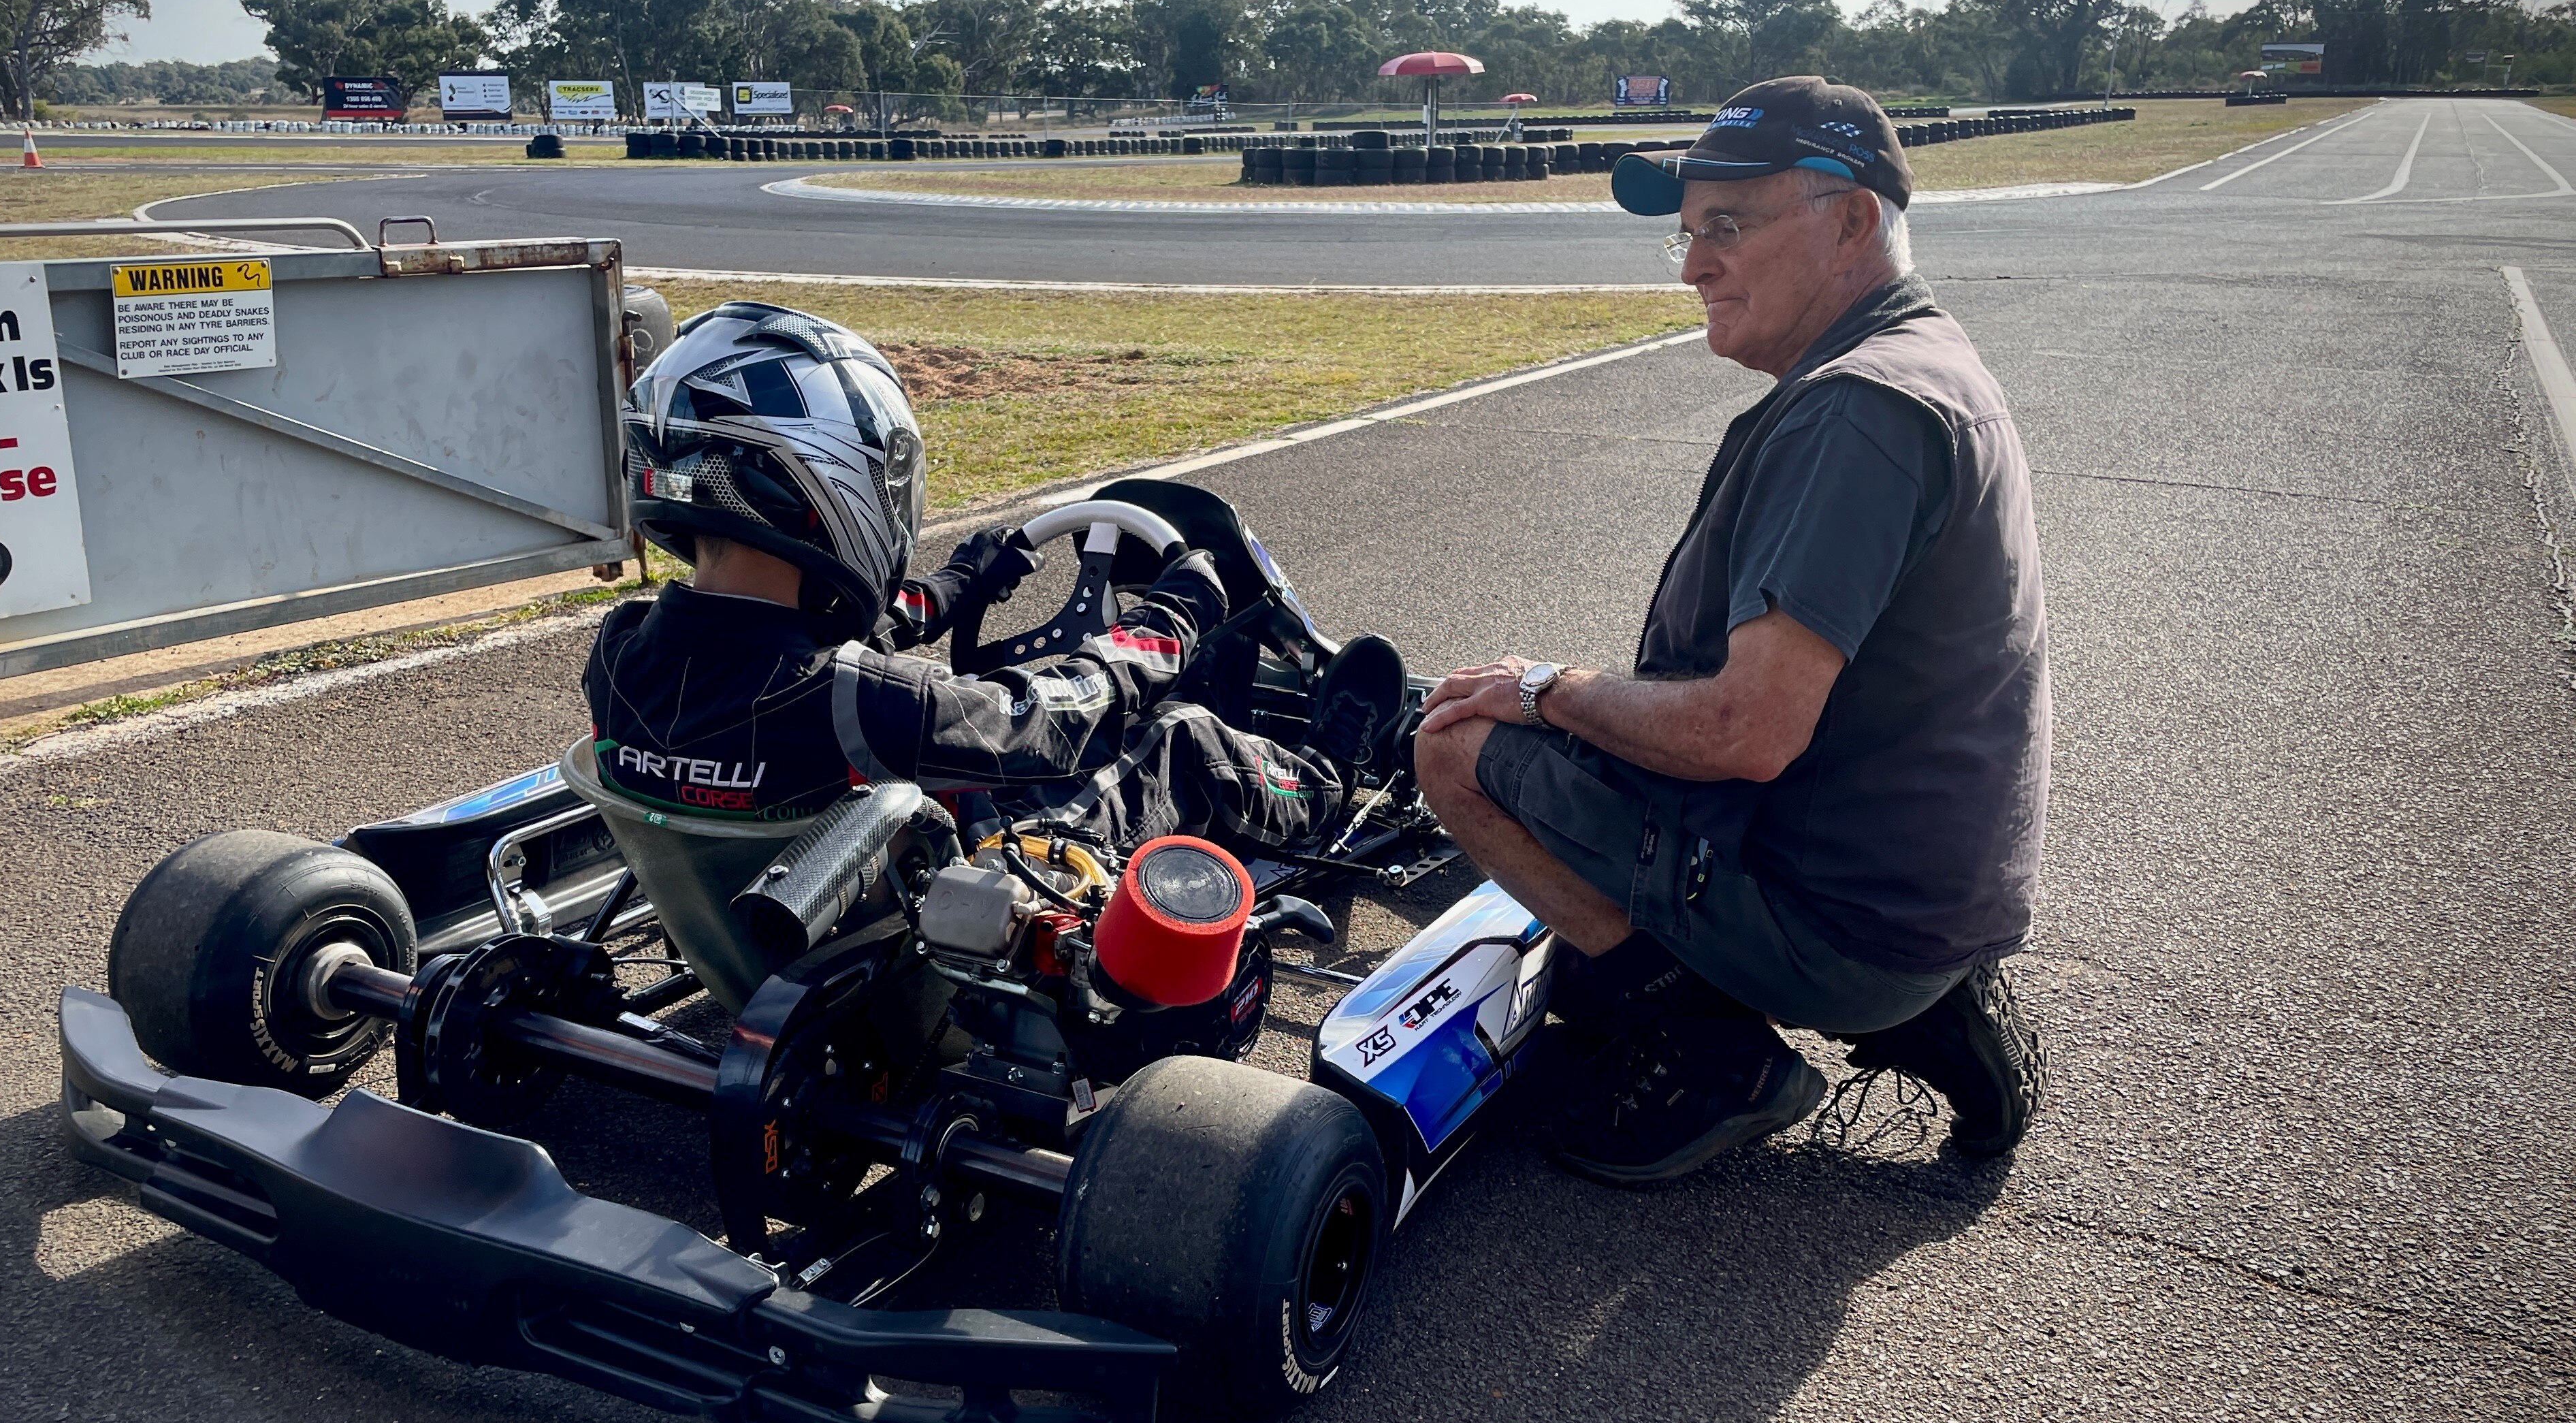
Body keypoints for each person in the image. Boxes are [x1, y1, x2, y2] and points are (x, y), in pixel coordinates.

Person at [1414, 76, 2050, 1186]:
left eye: (1729, 225)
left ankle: (1718, 1056)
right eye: (1687, 229)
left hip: (1848, 920)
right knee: (1566, 808)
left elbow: (1747, 732)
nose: (1693, 263)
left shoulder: (1856, 410)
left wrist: (1544, 690)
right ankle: (1933, 1010)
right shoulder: (1925, 356)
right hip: (1926, 887)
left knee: (1454, 744)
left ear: (1851, 220)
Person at [584, 300, 1407, 862]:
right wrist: (1172, 619)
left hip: (783, 891)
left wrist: (956, 585)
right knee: (1180, 734)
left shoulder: (623, 653)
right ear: (828, 481)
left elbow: (820, 647)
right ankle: (1328, 783)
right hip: (945, 914)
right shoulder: (862, 699)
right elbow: (1054, 711)